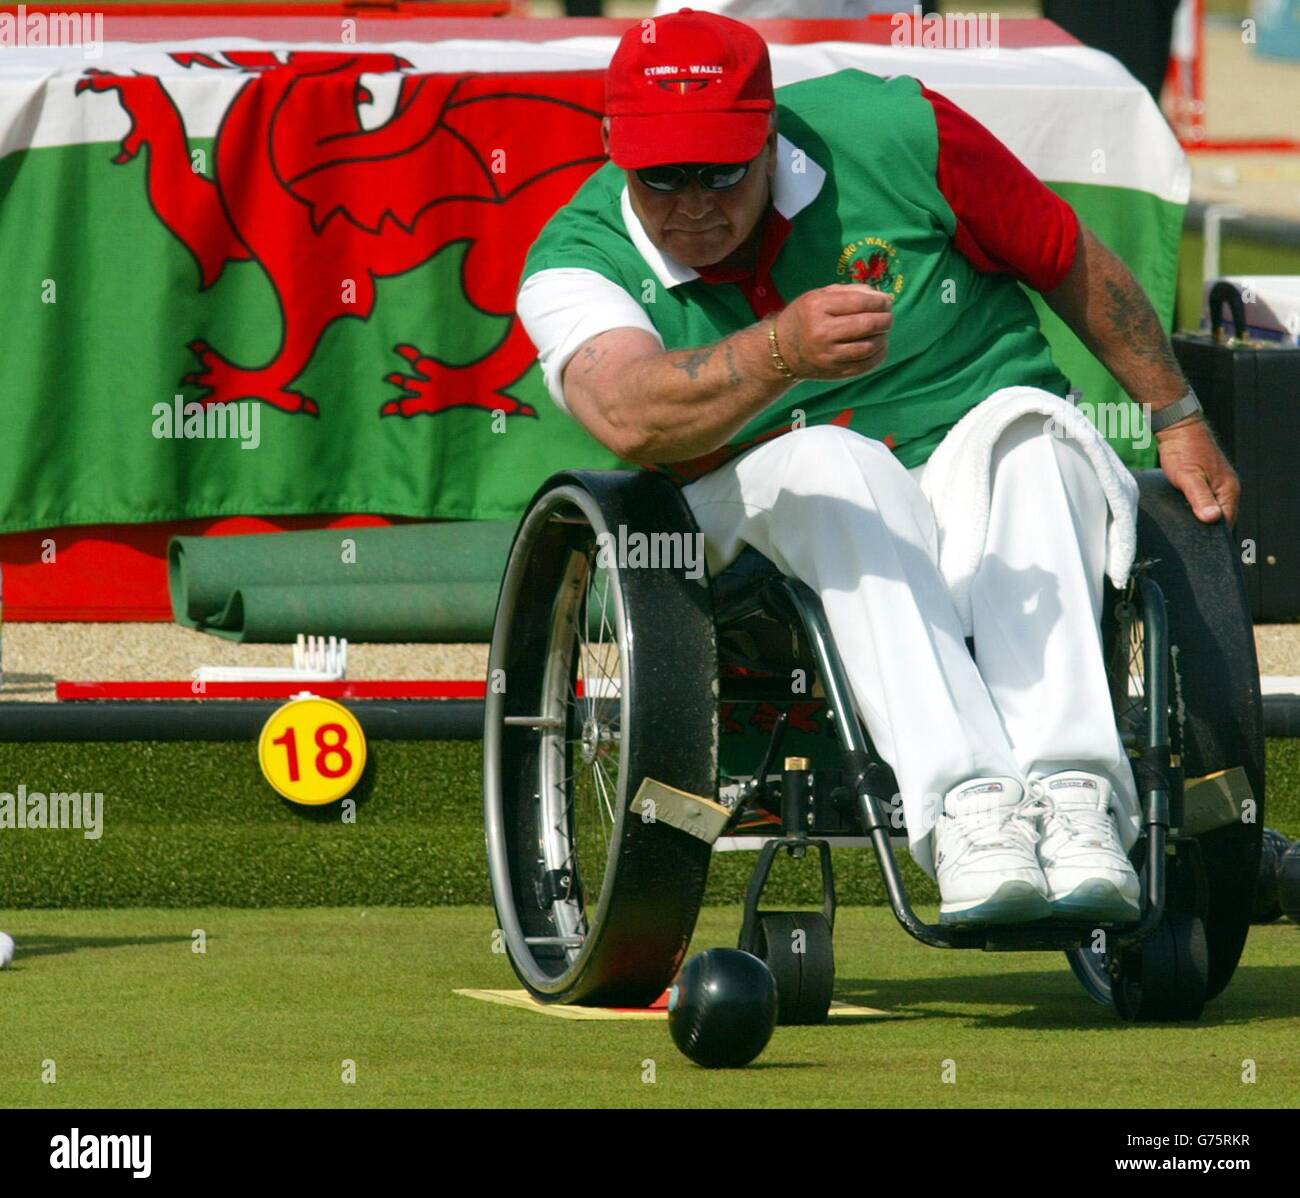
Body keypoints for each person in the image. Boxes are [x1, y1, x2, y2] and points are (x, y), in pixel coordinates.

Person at [515, 10, 1239, 926]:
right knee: (830, 460)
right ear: (614, 148)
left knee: (1034, 434)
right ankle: (969, 809)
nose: (693, 201)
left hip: (961, 447)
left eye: (721, 172)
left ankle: (1073, 800)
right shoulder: (575, 259)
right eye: (661, 177)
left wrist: (1176, 416)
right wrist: (781, 351)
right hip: (754, 503)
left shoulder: (900, 129)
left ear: (769, 134)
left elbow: (1063, 252)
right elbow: (624, 411)